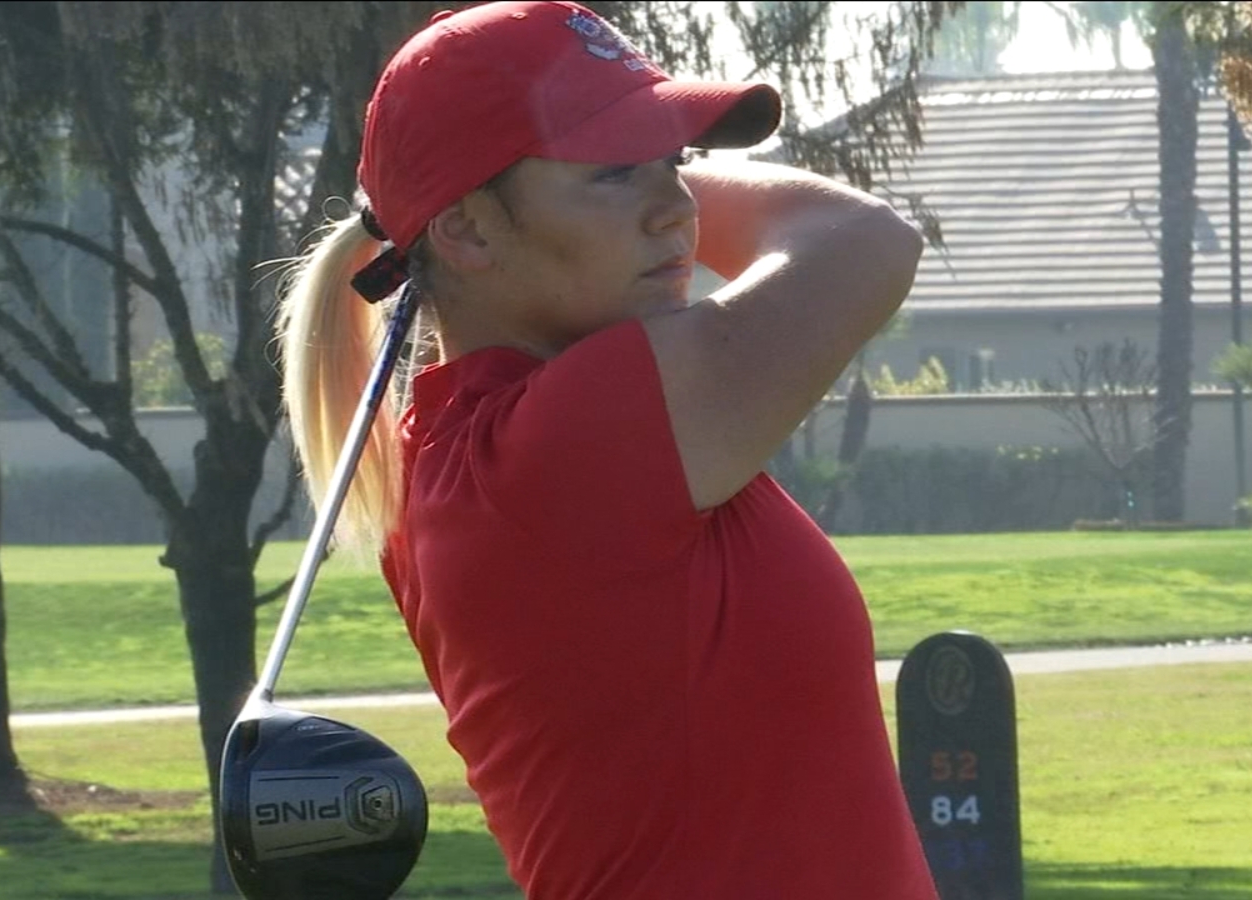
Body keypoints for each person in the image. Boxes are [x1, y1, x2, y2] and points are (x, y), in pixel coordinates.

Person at [274, 2, 936, 898]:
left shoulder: (467, 448)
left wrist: (443, 204)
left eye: (676, 162)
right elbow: (863, 242)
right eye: (616, 172)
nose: (677, 209)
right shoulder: (561, 449)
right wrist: (419, 208)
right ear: (467, 232)